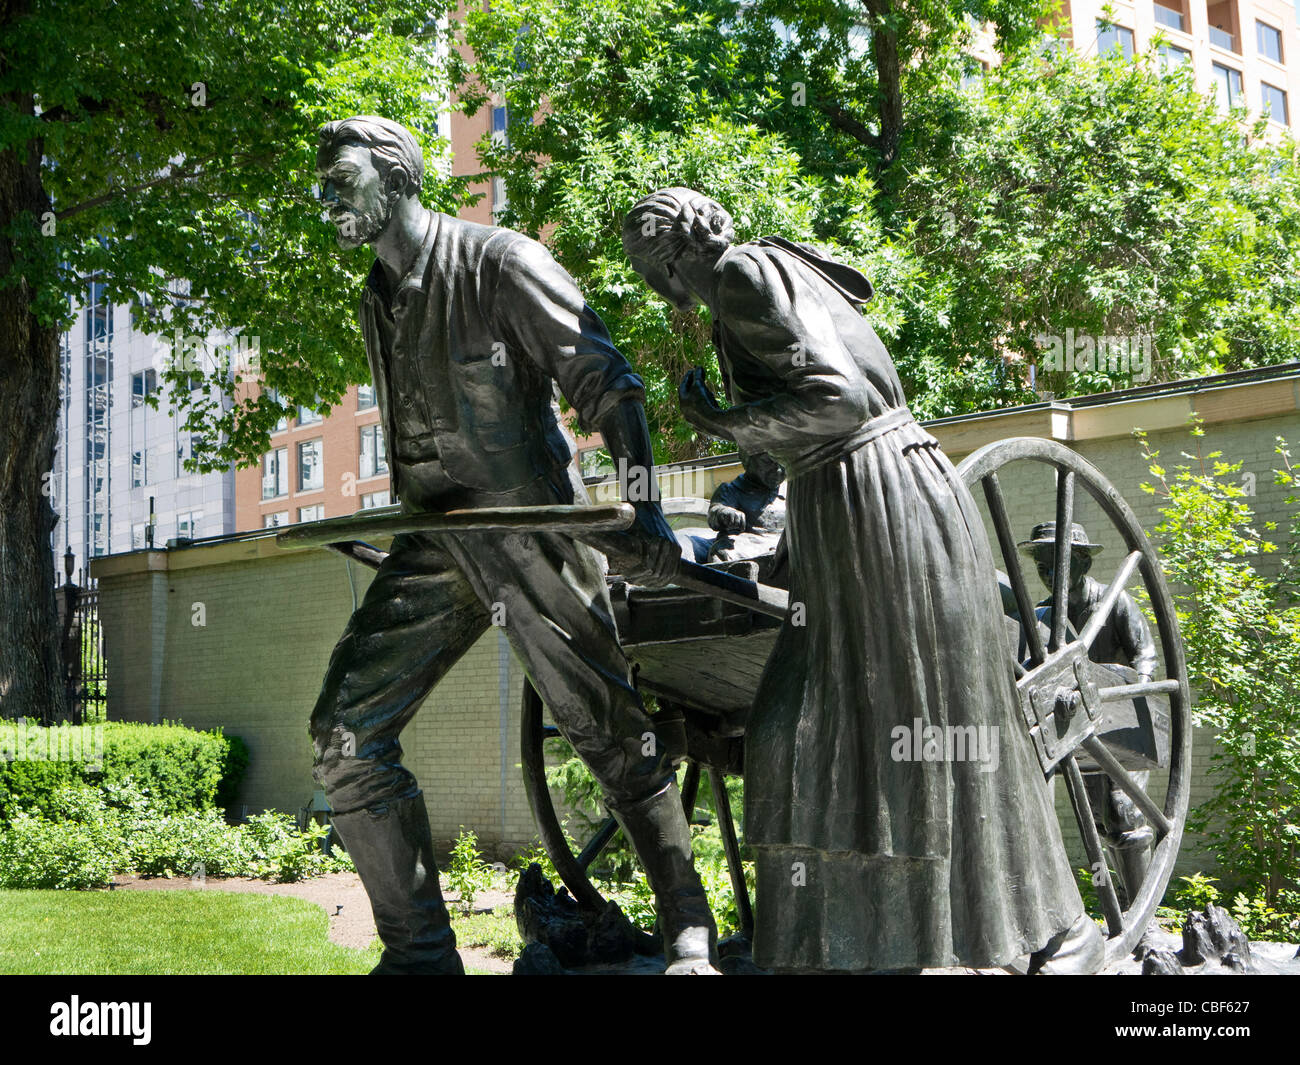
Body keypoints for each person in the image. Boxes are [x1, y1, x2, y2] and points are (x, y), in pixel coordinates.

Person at [622, 187, 1104, 973]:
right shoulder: (766, 272)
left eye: (646, 266)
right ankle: (880, 943)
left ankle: (1046, 933)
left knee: (906, 723)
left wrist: (722, 426)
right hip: (859, 506)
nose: (651, 286)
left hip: (874, 502)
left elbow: (837, 397)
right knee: (845, 728)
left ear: (671, 258)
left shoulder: (744, 275)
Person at [308, 119, 718, 974]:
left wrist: (642, 507)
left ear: (396, 175)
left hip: (531, 524)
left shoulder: (500, 262)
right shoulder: (372, 298)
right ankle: (420, 953)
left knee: (610, 731)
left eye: (340, 179)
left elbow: (608, 382)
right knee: (343, 735)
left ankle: (689, 925)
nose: (327, 199)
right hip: (435, 538)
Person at [1020, 520, 1158, 905]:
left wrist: (1133, 690)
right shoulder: (1044, 615)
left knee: (1123, 812)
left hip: (1121, 726)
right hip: (1077, 731)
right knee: (1102, 822)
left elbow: (1144, 655)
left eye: (1056, 566)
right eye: (1041, 568)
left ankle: (1143, 919)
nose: (1048, 576)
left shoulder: (1114, 603)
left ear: (1082, 561)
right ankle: (1130, 911)